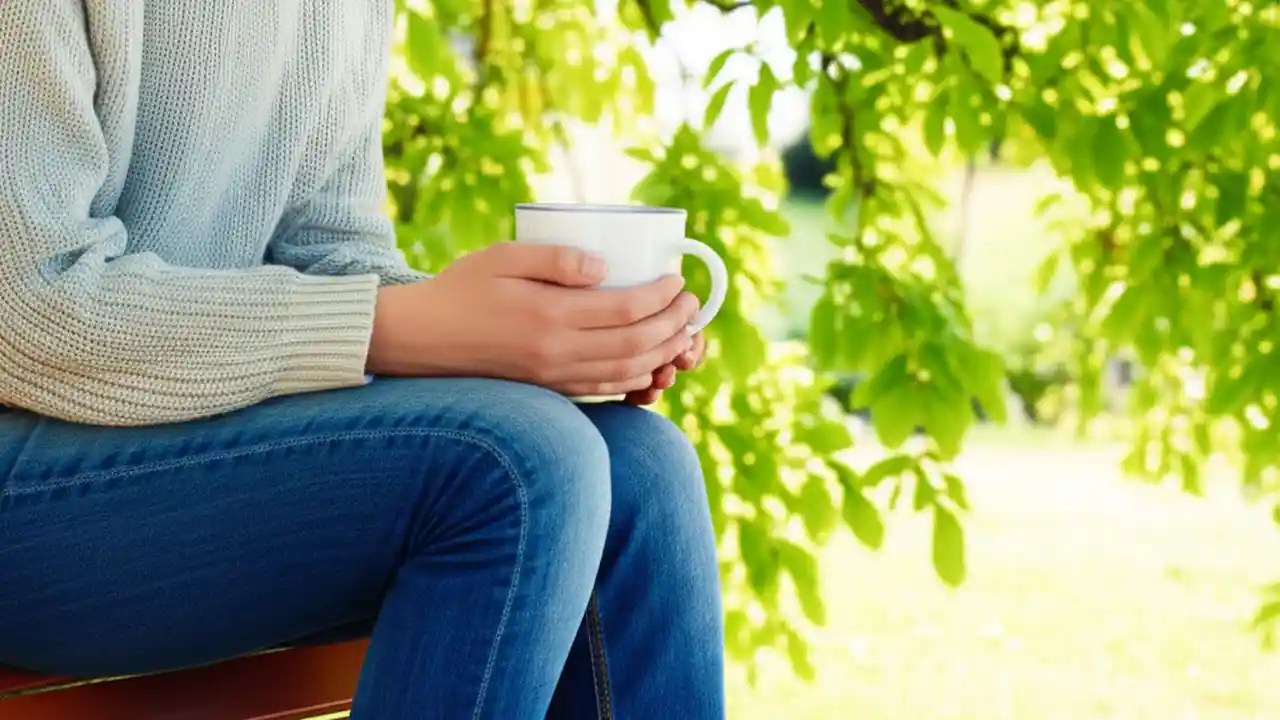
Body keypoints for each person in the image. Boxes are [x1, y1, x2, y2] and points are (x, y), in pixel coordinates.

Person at [0, 2, 724, 718]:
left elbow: (329, 249)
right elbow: (27, 307)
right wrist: (407, 329)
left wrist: (526, 343)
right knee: (520, 464)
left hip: (192, 444)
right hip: (25, 475)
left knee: (639, 466)